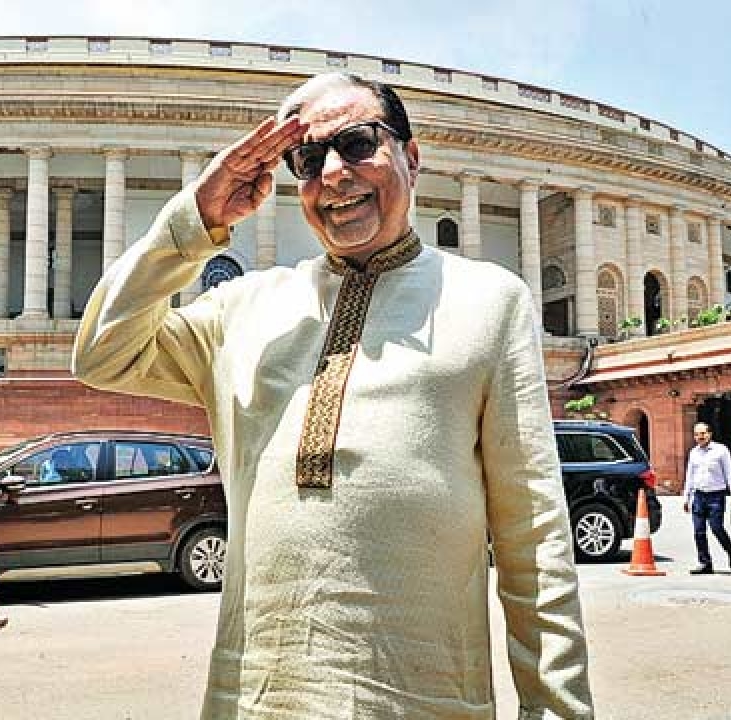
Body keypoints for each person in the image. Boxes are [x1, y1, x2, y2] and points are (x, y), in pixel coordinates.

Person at [73, 73, 593, 718]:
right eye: (309, 157)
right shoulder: (244, 308)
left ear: (411, 156)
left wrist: (557, 708)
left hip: (426, 698)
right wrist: (194, 220)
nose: (334, 172)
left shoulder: (490, 300)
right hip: (257, 697)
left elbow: (533, 531)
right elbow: (103, 352)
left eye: (357, 143)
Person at [682, 422, 731, 574]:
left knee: (716, 528)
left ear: (709, 434)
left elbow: (729, 473)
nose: (699, 437)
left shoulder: (721, 451)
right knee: (698, 531)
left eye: (702, 434)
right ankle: (705, 563)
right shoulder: (693, 453)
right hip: (699, 496)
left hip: (716, 496)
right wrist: (686, 497)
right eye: (696, 434)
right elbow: (690, 476)